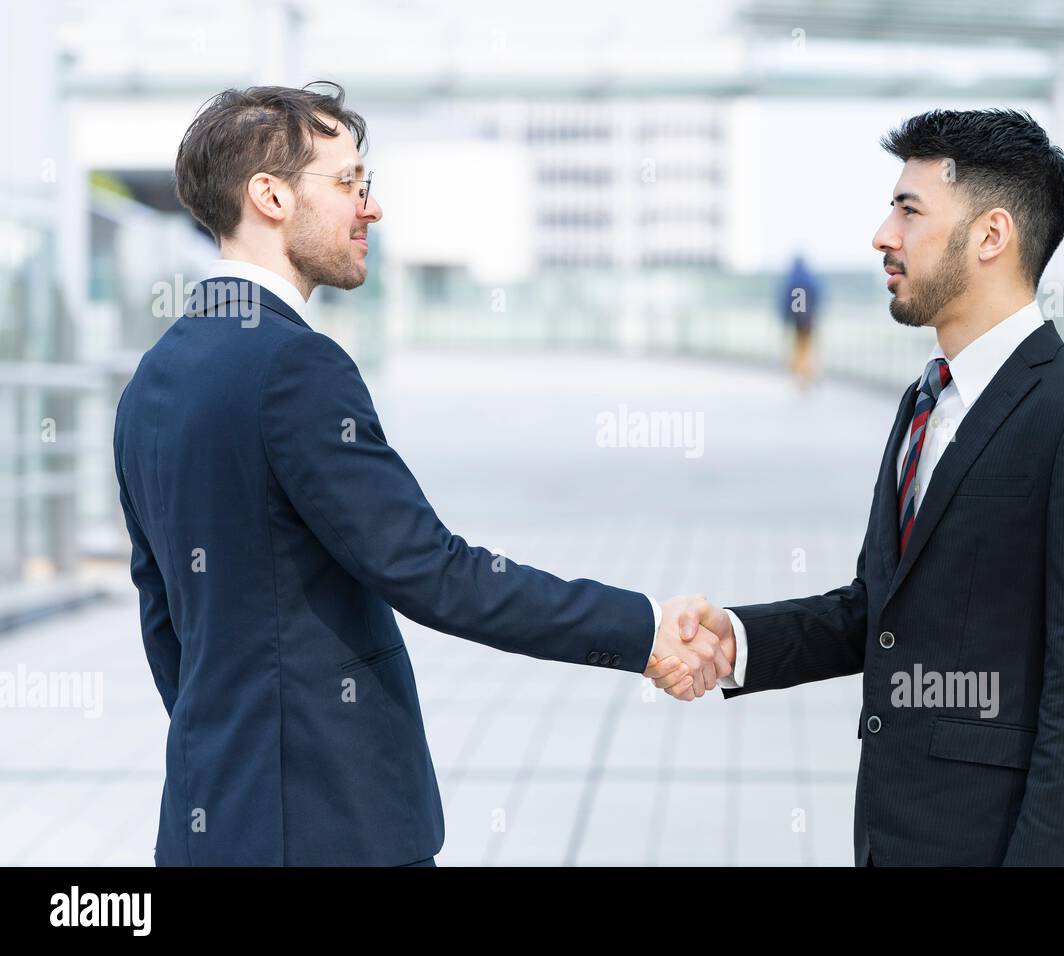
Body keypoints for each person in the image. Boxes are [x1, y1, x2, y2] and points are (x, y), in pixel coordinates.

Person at [113, 82, 730, 866]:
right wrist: (641, 630)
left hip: (210, 824)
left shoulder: (150, 382)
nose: (370, 209)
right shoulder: (295, 365)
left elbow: (164, 619)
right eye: (347, 184)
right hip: (331, 830)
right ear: (268, 196)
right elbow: (432, 570)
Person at [648, 109, 1064, 867]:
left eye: (909, 210)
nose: (883, 235)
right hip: (892, 838)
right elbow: (876, 610)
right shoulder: (924, 402)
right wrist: (739, 640)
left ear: (991, 236)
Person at [779, 255, 821, 389]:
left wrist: (785, 319)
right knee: (808, 347)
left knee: (797, 348)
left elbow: (785, 302)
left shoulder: (791, 281)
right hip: (809, 320)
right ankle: (808, 373)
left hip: (796, 320)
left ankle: (800, 377)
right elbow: (817, 298)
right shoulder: (810, 280)